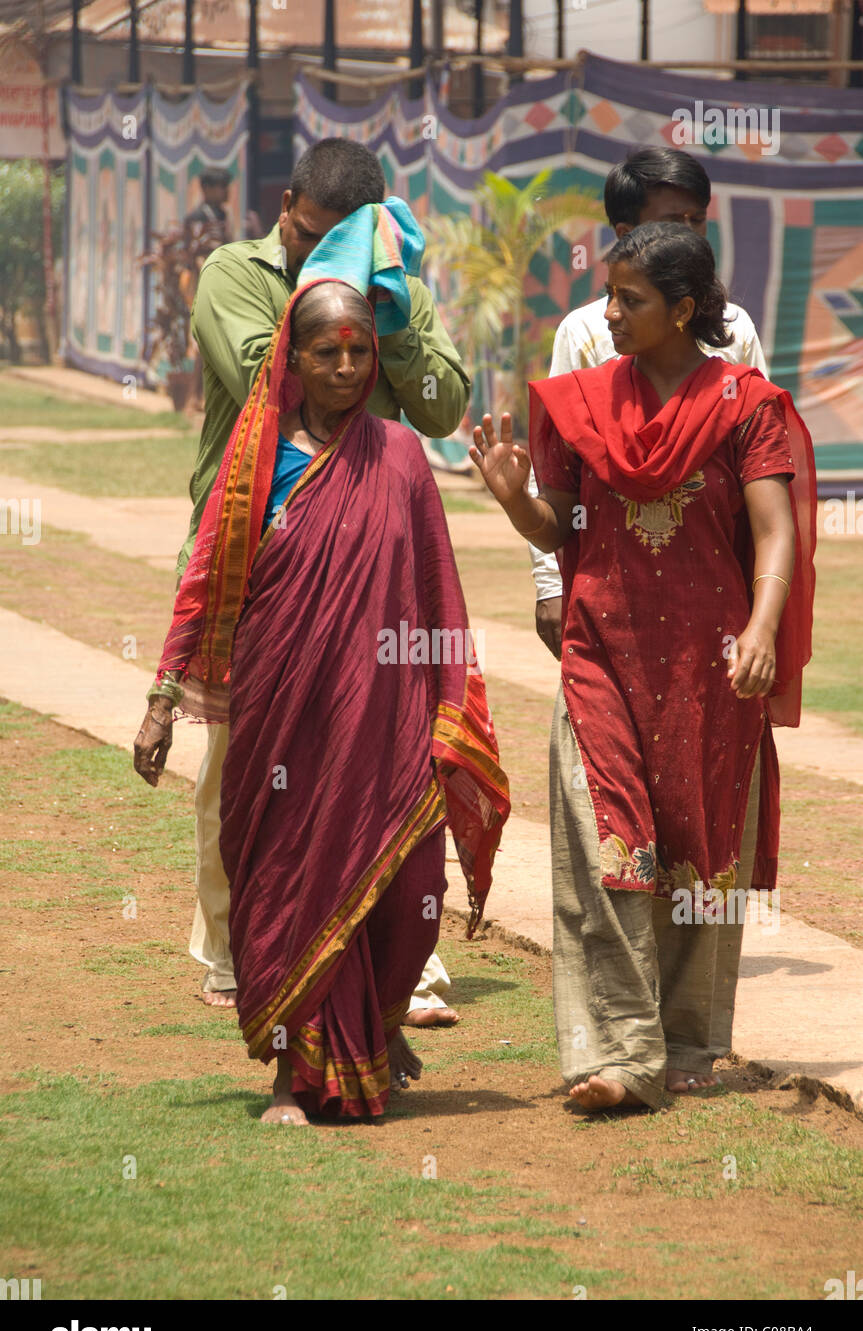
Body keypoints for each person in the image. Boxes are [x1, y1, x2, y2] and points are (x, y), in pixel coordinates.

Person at [133, 213, 509, 1121]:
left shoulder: (404, 457)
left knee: (410, 883)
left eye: (358, 351)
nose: (346, 368)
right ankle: (290, 1075)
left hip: (381, 717)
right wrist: (159, 701)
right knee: (290, 873)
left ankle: (372, 1033)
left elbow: (436, 593)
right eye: (326, 353)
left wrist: (448, 711)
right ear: (291, 361)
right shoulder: (253, 463)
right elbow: (207, 586)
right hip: (280, 712)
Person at [471, 222, 815, 1112]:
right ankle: (623, 1049)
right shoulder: (580, 405)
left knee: (701, 851)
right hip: (601, 657)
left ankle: (691, 1037)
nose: (609, 313)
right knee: (606, 845)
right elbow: (561, 527)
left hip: (710, 665)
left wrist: (763, 630)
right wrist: (517, 504)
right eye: (608, 295)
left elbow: (774, 530)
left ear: (683, 309)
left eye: (629, 299)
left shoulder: (745, 404)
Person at [530, 146, 768, 662]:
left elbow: (762, 473)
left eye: (696, 220)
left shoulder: (736, 330)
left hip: (713, 587)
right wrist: (550, 583)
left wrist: (762, 611)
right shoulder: (588, 332)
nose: (688, 234)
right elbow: (558, 471)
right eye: (670, 222)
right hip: (608, 589)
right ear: (625, 235)